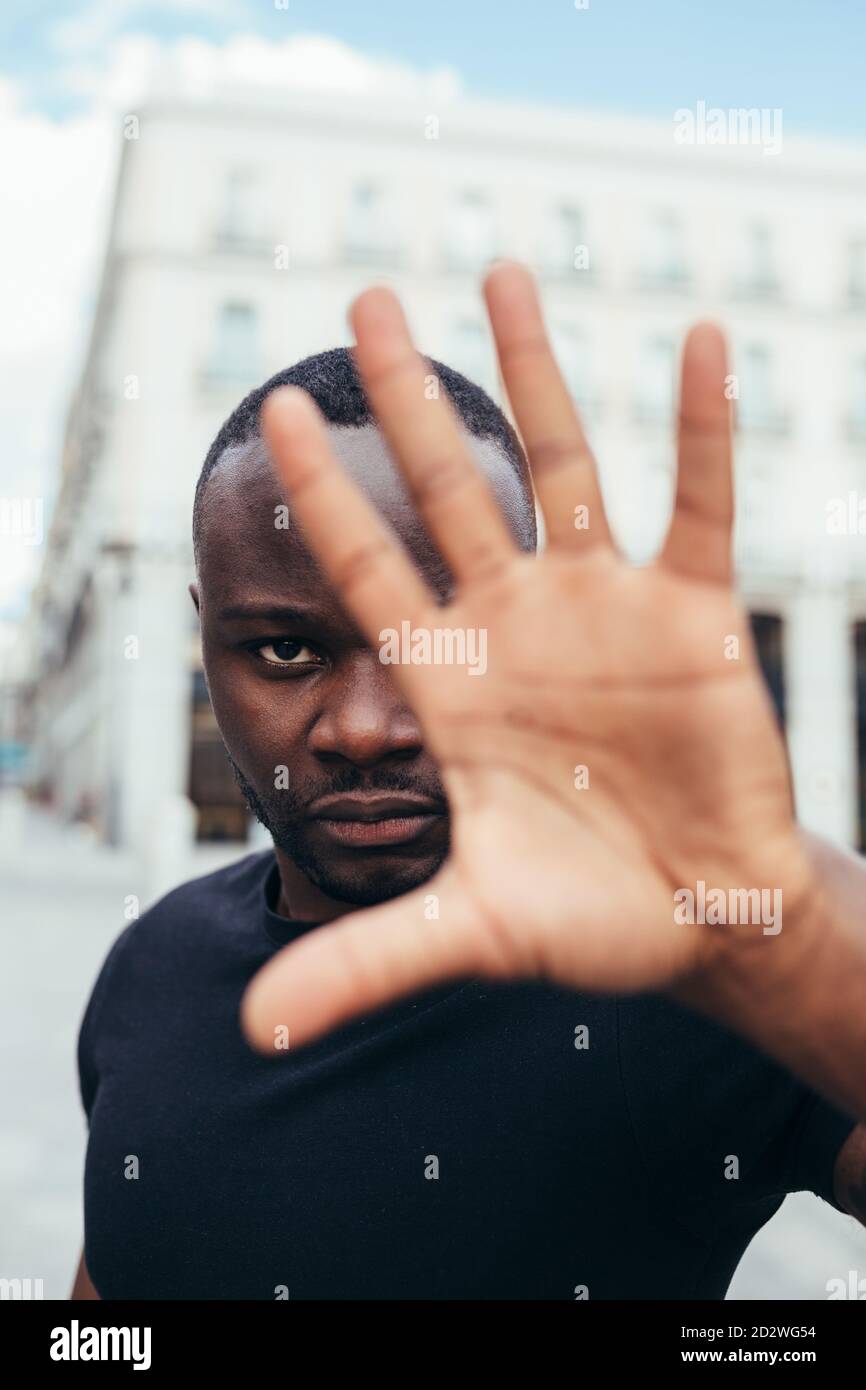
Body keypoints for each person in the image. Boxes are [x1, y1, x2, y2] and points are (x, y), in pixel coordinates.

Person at [72, 261, 866, 1301]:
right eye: (281, 650)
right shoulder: (150, 964)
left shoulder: (694, 977)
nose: (364, 729)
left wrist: (806, 942)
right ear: (204, 636)